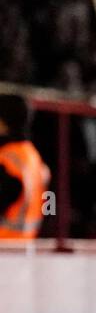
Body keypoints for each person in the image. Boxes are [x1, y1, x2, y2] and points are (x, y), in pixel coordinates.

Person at [0, 94, 50, 241]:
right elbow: (50, 203)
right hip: (25, 247)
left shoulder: (6, 159)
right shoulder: (36, 159)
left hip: (4, 246)